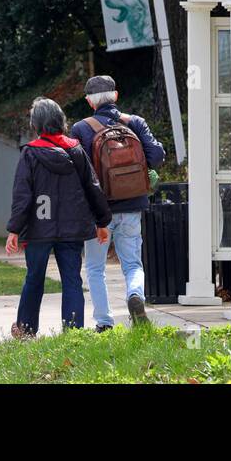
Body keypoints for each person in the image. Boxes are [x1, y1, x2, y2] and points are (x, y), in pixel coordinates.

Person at [6, 97, 111, 338]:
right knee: (72, 280)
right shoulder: (76, 150)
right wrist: (102, 222)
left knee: (34, 278)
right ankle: (73, 333)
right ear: (60, 121)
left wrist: (14, 229)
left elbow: (23, 196)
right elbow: (93, 187)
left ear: (36, 124)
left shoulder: (30, 154)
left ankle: (26, 330)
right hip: (72, 230)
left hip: (38, 230)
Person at [70, 75, 167, 331]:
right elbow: (157, 155)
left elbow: (78, 173)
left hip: (98, 213)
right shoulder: (134, 122)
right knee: (133, 264)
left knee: (94, 268)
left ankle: (104, 322)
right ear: (116, 96)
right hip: (133, 206)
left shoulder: (81, 129)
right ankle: (135, 294)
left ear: (90, 102)